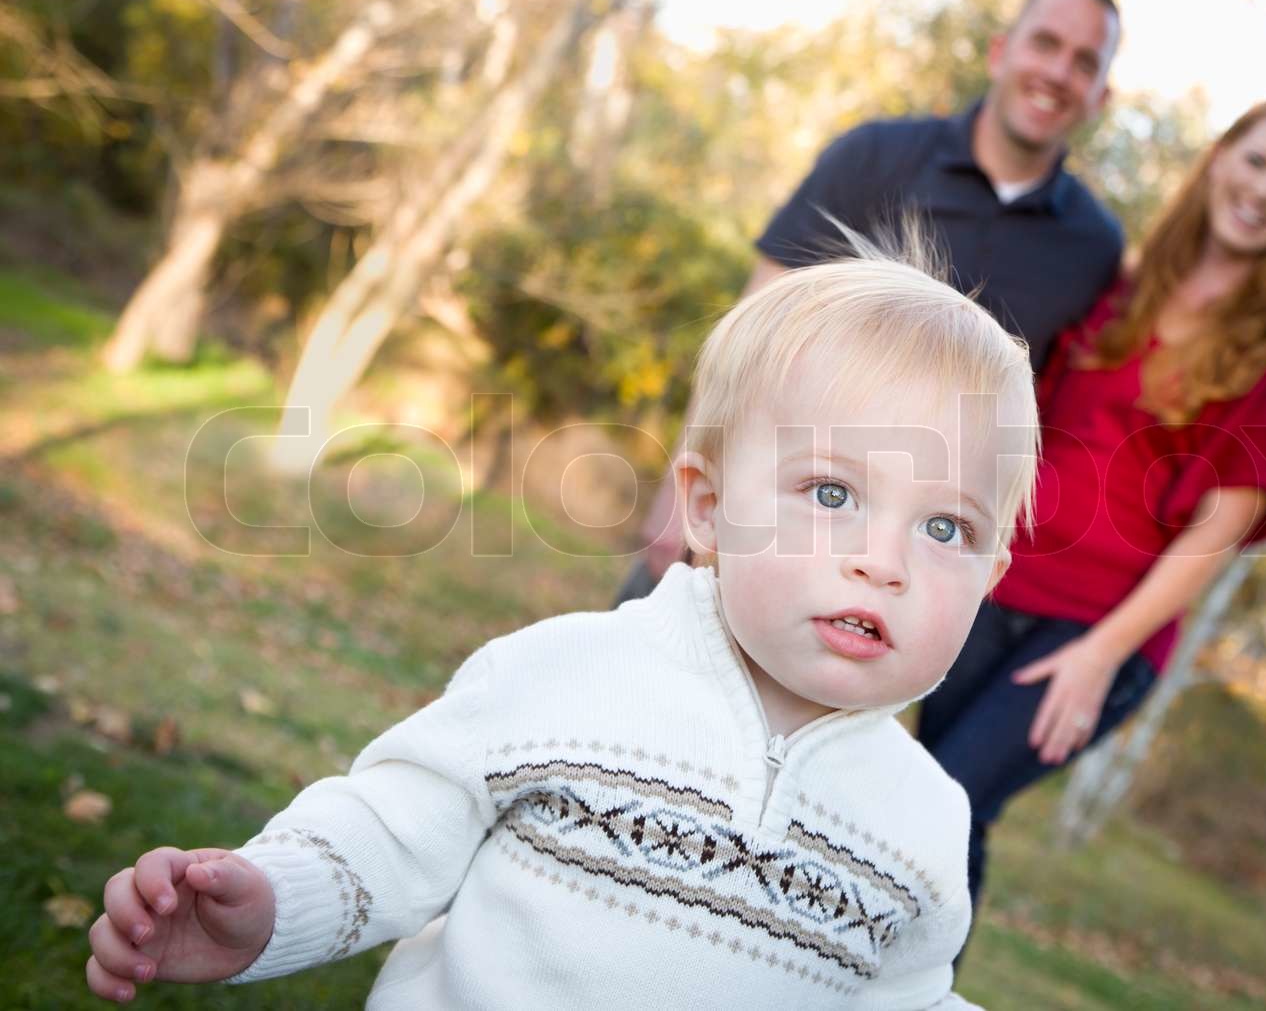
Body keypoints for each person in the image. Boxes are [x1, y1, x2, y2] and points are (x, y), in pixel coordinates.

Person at [85, 234, 1041, 1008]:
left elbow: (903, 995)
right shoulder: (571, 676)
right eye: (831, 490)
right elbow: (397, 825)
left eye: (946, 525)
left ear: (992, 573)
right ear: (706, 509)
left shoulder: (924, 820)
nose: (884, 560)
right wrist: (269, 904)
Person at [916, 95, 1266, 930]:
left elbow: (1218, 529)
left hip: (1093, 629)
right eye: (1257, 160)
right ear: (1220, 156)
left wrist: (1102, 654)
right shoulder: (1124, 287)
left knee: (947, 804)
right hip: (991, 585)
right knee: (920, 800)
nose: (1263, 190)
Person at [615, 0, 1125, 605]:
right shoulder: (875, 156)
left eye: (1084, 62)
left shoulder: (1095, 247)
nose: (1057, 71)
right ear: (1000, 52)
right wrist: (685, 481)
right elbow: (748, 332)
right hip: (769, 510)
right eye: (1044, 43)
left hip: (898, 577)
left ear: (1102, 95)